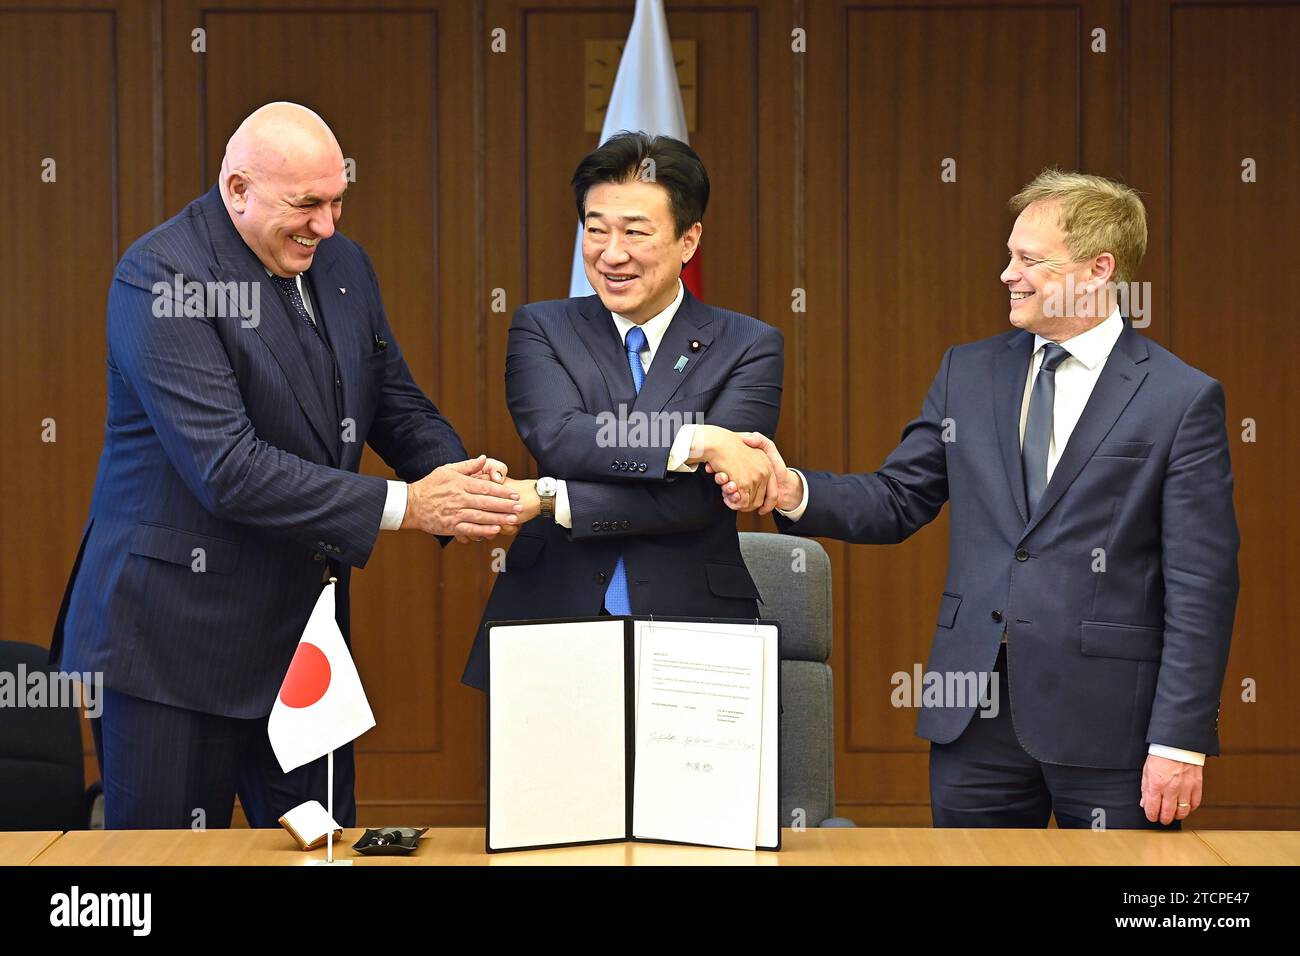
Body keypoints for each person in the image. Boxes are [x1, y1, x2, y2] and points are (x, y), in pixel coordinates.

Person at [718, 169, 1239, 829]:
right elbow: (898, 499)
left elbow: (1203, 585)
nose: (1007, 274)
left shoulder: (1180, 398)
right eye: (1009, 256)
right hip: (972, 715)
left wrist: (1179, 740)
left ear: (1099, 269)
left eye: (1029, 260)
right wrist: (793, 489)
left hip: (1114, 727)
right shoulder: (969, 370)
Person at [50, 102, 522, 829]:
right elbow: (228, 468)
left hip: (303, 646)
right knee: (159, 867)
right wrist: (409, 506)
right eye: (307, 205)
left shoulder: (343, 263)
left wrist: (465, 485)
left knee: (323, 849)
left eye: (337, 202)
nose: (326, 226)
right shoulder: (160, 276)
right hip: (171, 649)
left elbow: (393, 402)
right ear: (238, 189)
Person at [460, 131, 782, 689]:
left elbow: (701, 498)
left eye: (636, 232)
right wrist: (700, 441)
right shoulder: (544, 327)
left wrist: (547, 498)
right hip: (551, 616)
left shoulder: (748, 344)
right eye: (595, 229)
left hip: (697, 628)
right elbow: (561, 437)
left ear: (689, 239)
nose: (612, 253)